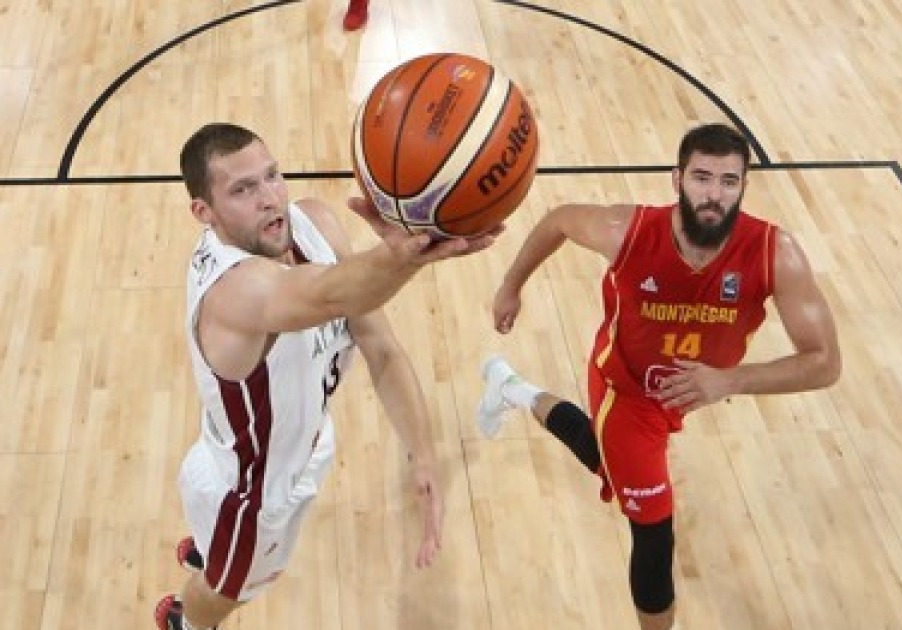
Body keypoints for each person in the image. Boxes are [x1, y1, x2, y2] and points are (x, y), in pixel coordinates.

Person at [476, 122, 842, 630]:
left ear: (743, 188)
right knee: (653, 534)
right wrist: (511, 285)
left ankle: (511, 388)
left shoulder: (774, 252)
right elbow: (558, 220)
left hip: (689, 390)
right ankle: (515, 389)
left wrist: (729, 380)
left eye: (729, 182)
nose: (714, 195)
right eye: (702, 178)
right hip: (626, 392)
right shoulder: (627, 232)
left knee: (606, 465)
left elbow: (825, 362)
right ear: (676, 179)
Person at [154, 122, 499, 630]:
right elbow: (331, 295)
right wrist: (405, 256)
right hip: (252, 494)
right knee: (229, 593)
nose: (269, 198)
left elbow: (380, 346)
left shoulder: (311, 221)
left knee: (231, 565)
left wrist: (423, 455)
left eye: (271, 175)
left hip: (288, 447)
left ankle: (212, 550)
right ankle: (189, 617)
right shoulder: (234, 292)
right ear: (203, 212)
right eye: (242, 190)